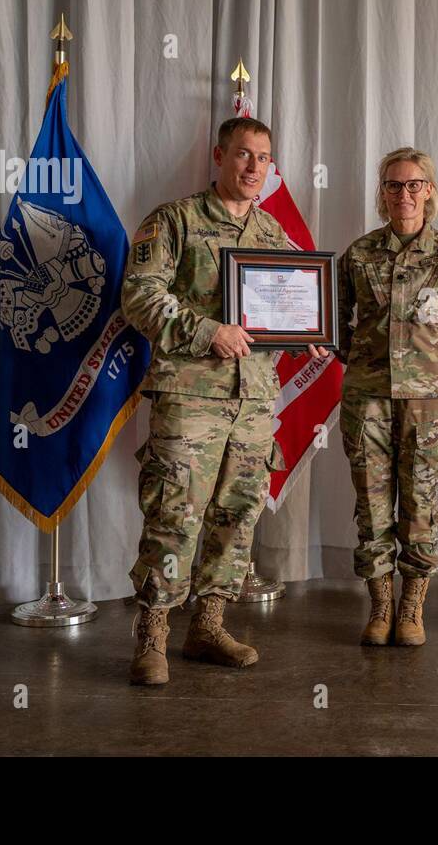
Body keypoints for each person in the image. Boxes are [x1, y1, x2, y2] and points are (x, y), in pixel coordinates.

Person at [122, 116, 330, 685]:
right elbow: (139, 296)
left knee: (237, 516)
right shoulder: (174, 221)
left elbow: (294, 300)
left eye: (263, 157)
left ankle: (208, 626)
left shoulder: (272, 234)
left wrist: (306, 329)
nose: (254, 166)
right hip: (191, 398)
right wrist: (204, 330)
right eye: (243, 154)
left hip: (255, 402)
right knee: (174, 515)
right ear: (219, 156)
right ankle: (153, 635)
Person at [336, 148, 438, 647]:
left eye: (414, 184)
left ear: (430, 192)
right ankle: (379, 608)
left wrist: (436, 374)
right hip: (368, 400)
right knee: (372, 507)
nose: (405, 194)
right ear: (383, 194)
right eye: (395, 185)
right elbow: (337, 322)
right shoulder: (358, 255)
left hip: (427, 404)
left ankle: (412, 607)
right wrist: (359, 367)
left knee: (420, 506)